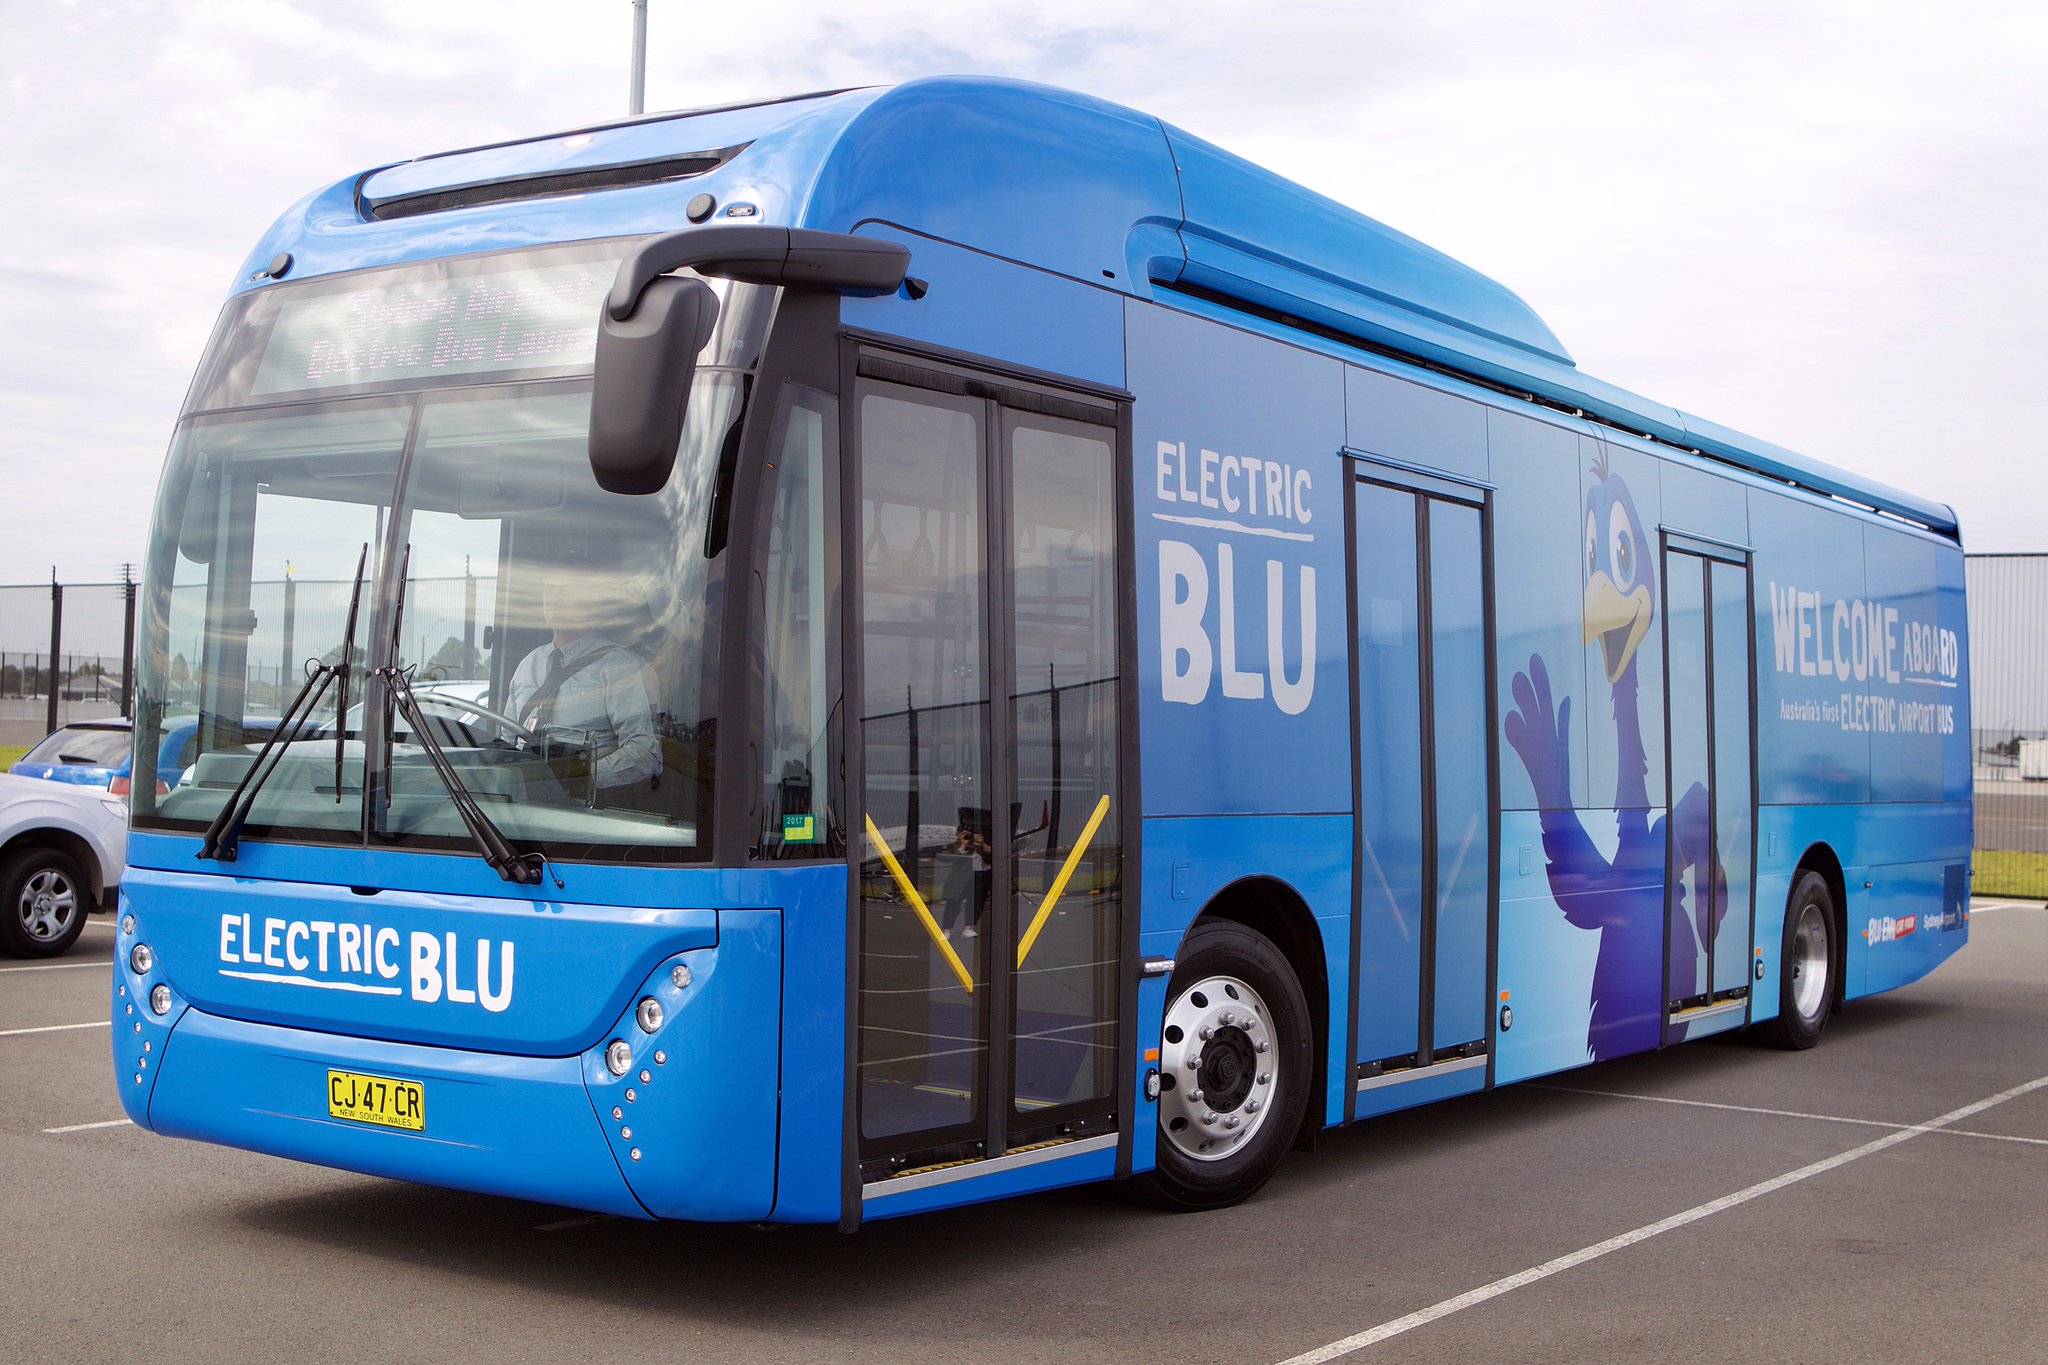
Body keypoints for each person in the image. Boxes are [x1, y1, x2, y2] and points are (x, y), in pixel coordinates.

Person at [502, 568, 660, 804]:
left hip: (584, 813)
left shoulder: (621, 667)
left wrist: (579, 779)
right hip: (521, 809)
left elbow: (646, 754)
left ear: (592, 601)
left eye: (565, 591)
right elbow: (507, 740)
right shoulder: (528, 664)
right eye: (549, 591)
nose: (553, 599)